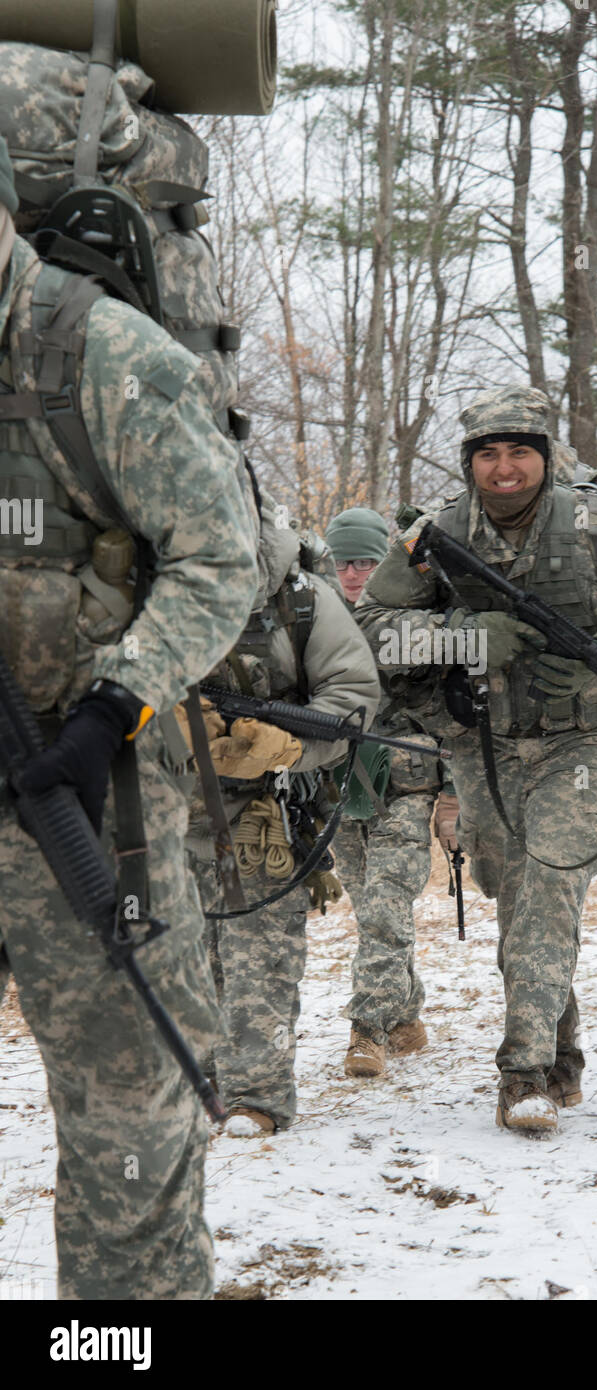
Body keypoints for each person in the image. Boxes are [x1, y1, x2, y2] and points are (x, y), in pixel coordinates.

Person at [0, 133, 259, 1299]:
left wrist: (117, 700)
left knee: (129, 1120)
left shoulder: (101, 353)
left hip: (81, 793)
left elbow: (218, 558)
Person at [354, 385, 597, 1133]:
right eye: (489, 453)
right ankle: (562, 1054)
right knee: (518, 904)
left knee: (550, 881)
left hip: (579, 742)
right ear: (470, 462)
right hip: (478, 744)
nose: (505, 466)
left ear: (544, 456)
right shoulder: (433, 537)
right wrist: (462, 636)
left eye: (520, 451)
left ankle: (521, 1076)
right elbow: (372, 631)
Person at [184, 490, 381, 1135]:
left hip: (267, 805)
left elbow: (352, 694)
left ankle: (255, 1097)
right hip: (159, 808)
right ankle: (192, 1085)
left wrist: (289, 747)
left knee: (260, 954)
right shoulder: (139, 589)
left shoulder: (300, 600)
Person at [326, 507, 460, 1079]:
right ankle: (406, 1016)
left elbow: (457, 709)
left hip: (406, 786)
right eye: (344, 562)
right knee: (370, 910)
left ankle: (368, 1031)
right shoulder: (315, 621)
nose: (355, 572)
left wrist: (453, 794)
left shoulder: (412, 618)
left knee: (385, 907)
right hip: (339, 786)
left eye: (366, 560)